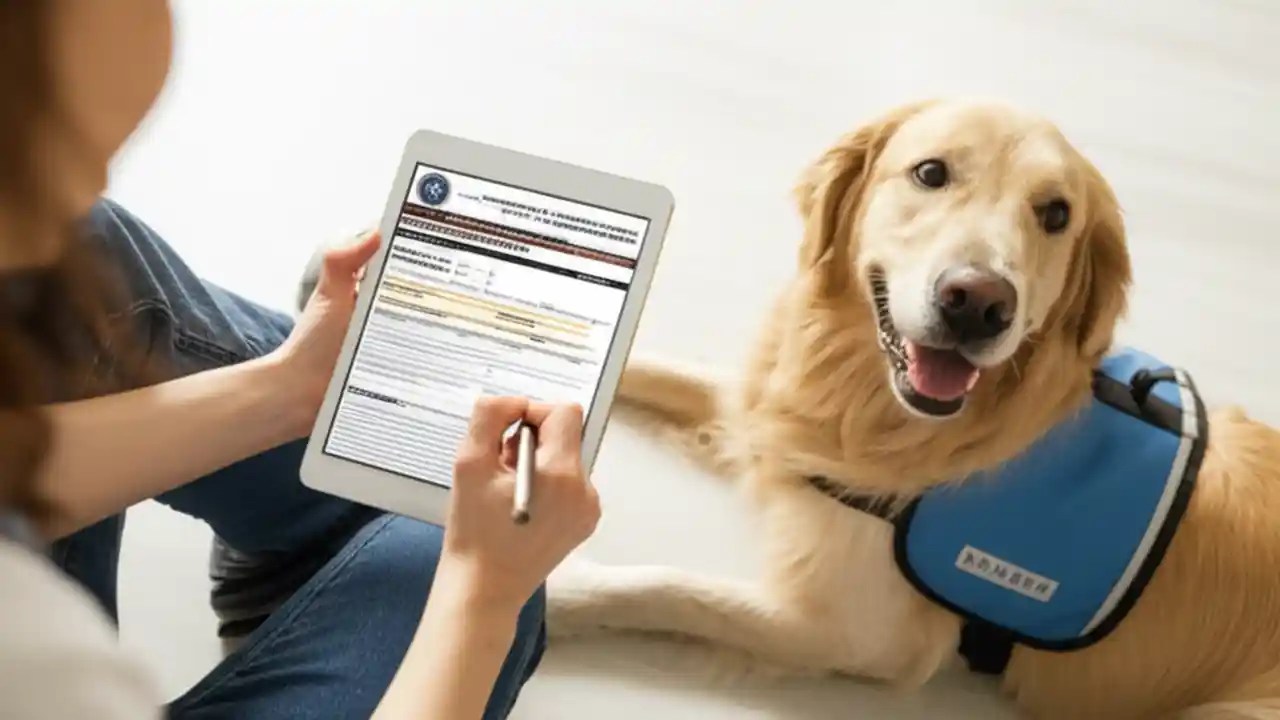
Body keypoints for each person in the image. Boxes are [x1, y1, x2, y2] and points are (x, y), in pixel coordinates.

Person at [0, 2, 601, 719]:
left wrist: (289, 390)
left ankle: (302, 536)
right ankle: (316, 557)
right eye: (54, 178)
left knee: (79, 262)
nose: (83, 197)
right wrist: (485, 591)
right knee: (440, 557)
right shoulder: (45, 661)